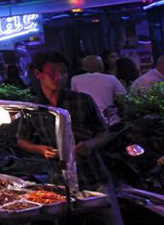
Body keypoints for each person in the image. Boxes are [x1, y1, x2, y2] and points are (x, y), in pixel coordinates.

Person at [17, 51, 121, 222]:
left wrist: (91, 144)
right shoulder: (32, 109)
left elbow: (104, 133)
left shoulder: (82, 100)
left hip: (94, 178)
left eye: (63, 72)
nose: (58, 77)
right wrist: (41, 149)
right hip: (59, 184)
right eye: (52, 72)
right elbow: (22, 141)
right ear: (38, 74)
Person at [71, 55, 126, 127]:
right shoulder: (111, 78)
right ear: (101, 66)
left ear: (84, 67)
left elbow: (74, 101)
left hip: (89, 125)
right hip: (112, 122)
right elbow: (125, 98)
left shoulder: (75, 79)